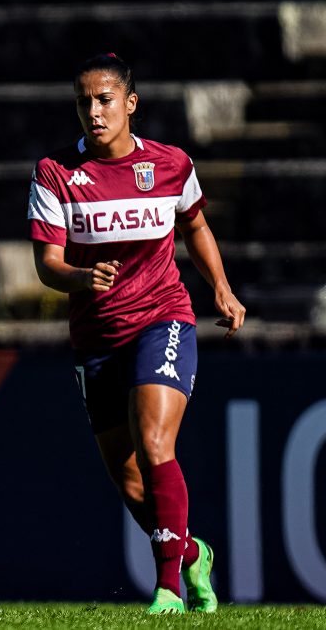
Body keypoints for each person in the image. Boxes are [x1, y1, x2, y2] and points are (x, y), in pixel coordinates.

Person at [28, 53, 246, 614]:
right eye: (83, 101)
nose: (93, 112)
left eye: (104, 100)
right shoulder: (55, 172)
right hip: (97, 337)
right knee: (128, 481)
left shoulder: (171, 165)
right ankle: (193, 553)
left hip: (162, 318)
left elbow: (195, 226)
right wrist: (80, 276)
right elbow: (47, 263)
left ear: (130, 104)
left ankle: (169, 588)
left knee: (154, 445)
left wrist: (220, 286)